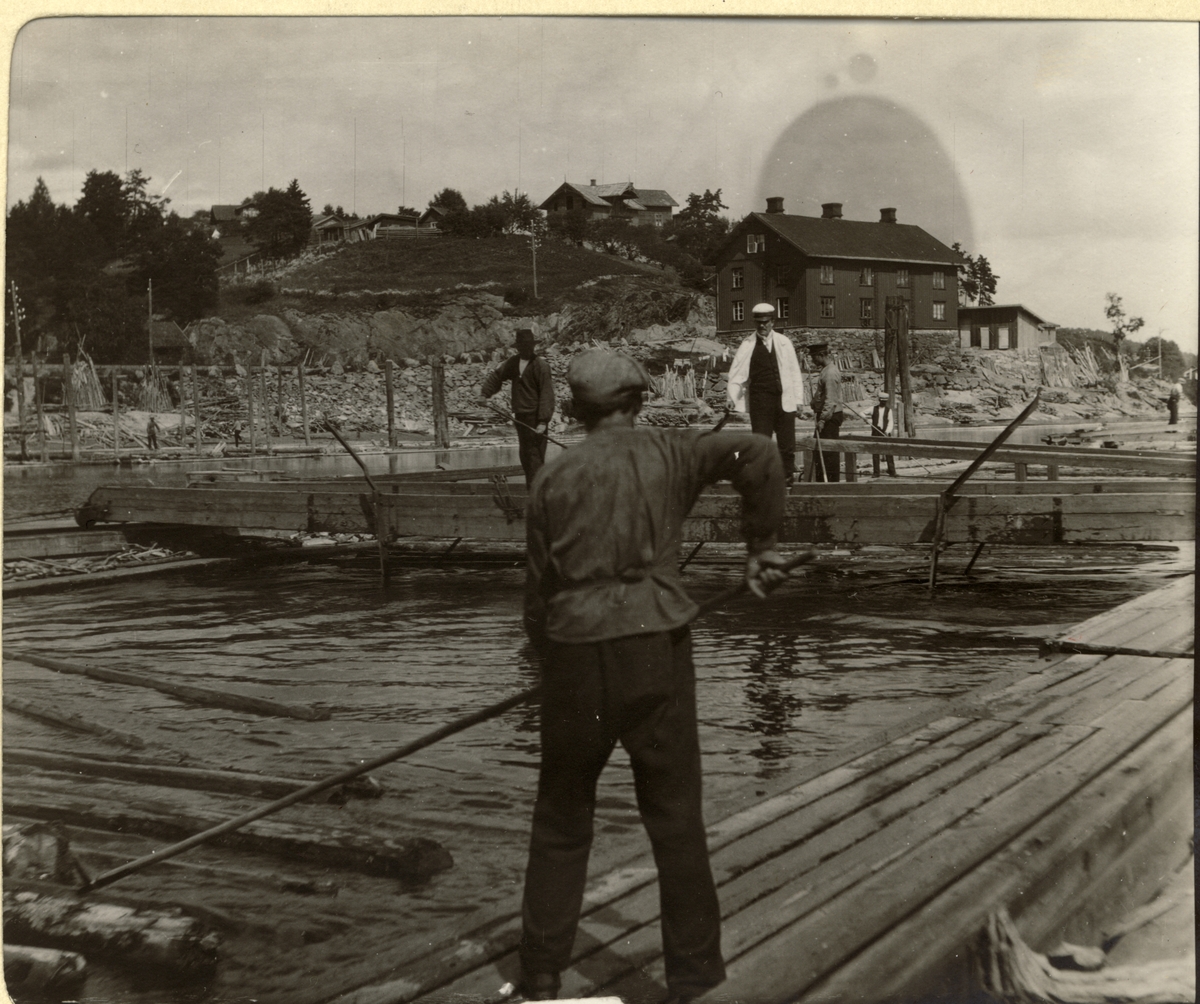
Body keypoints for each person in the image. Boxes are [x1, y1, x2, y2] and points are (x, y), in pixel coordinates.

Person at [519, 350, 792, 1003]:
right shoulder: (673, 452)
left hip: (576, 658)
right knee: (675, 820)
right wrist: (761, 547)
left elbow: (537, 595)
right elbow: (761, 455)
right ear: (639, 401)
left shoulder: (550, 481)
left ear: (578, 412)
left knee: (561, 819)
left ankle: (540, 977)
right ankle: (696, 981)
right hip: (655, 650)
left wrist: (550, 662)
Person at [725, 302, 804, 485]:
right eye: (759, 322)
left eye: (766, 322)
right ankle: (764, 479)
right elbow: (737, 375)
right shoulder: (747, 345)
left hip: (784, 399)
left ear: (772, 322)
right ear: (754, 322)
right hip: (760, 401)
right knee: (761, 442)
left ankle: (786, 478)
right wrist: (731, 397)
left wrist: (799, 400)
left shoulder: (785, 343)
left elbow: (794, 373)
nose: (762, 326)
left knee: (787, 444)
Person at [480, 328, 556, 486]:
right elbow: (496, 376)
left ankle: (537, 496)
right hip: (520, 417)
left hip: (535, 418)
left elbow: (547, 395)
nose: (525, 349)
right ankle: (531, 493)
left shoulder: (541, 366)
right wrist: (484, 394)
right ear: (518, 347)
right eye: (522, 346)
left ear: (533, 347)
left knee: (535, 457)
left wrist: (543, 422)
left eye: (528, 346)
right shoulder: (513, 363)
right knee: (525, 456)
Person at [808, 343, 844, 482]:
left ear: (821, 355)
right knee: (821, 451)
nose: (812, 360)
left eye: (813, 357)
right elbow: (823, 394)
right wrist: (814, 402)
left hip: (829, 417)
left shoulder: (830, 373)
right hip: (826, 415)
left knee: (828, 453)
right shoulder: (825, 370)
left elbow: (830, 400)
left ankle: (830, 484)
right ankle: (823, 482)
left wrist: (822, 419)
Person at [870, 393, 897, 477]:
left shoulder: (889, 410)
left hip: (885, 432)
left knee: (889, 452)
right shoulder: (873, 408)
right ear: (879, 400)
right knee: (875, 453)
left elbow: (891, 422)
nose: (883, 403)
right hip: (875, 433)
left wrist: (887, 431)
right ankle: (876, 472)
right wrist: (868, 420)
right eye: (882, 401)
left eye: (885, 402)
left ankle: (892, 471)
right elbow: (861, 413)